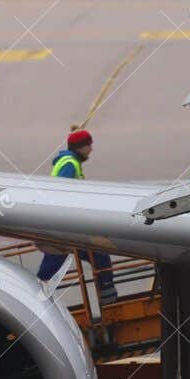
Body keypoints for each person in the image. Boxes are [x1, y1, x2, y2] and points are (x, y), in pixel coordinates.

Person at [38, 129, 117, 303]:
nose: (91, 149)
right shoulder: (69, 164)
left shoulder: (70, 162)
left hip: (63, 226)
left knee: (53, 266)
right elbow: (61, 192)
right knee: (97, 256)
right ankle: (110, 302)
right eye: (89, 145)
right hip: (62, 228)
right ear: (81, 147)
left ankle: (37, 296)